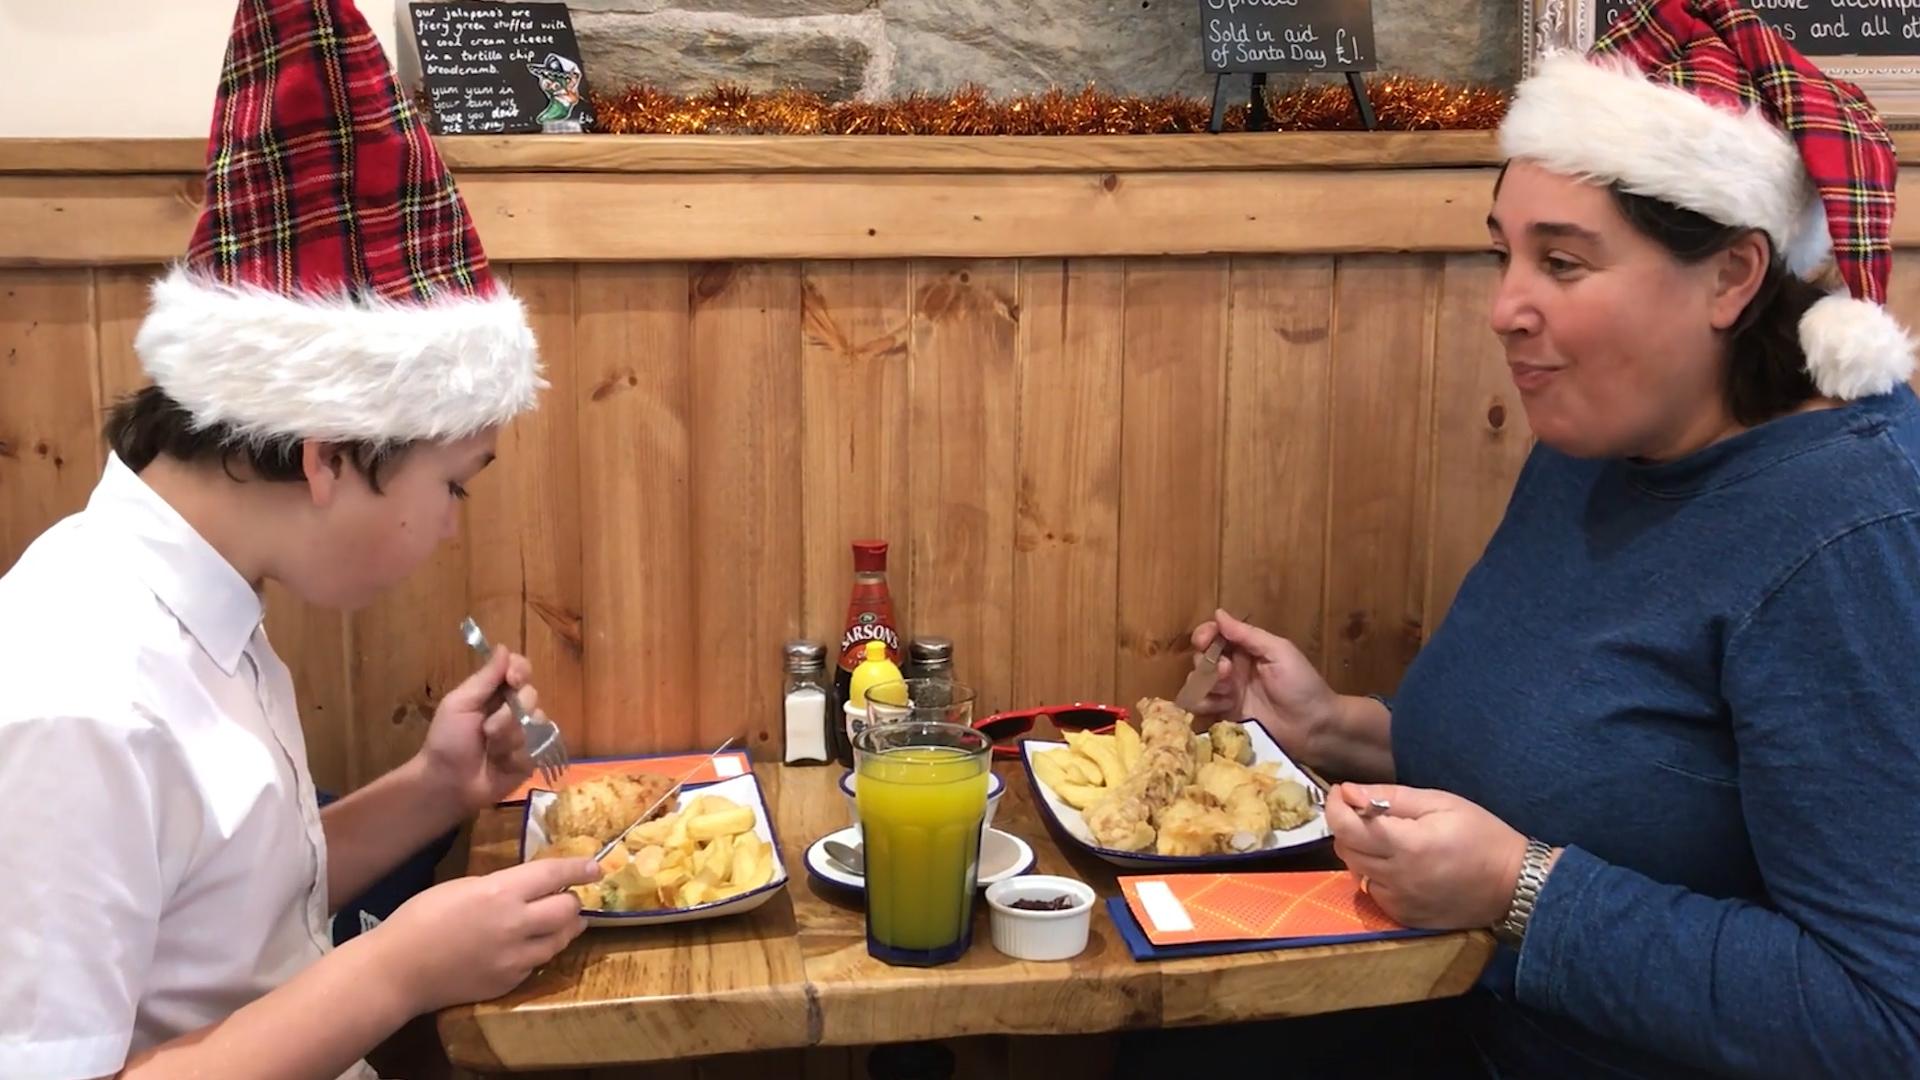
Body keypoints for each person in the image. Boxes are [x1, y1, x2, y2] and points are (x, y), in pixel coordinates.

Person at [1172, 1, 1920, 1075]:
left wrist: (1522, 891)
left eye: (1562, 264)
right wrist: (1338, 728)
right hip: (1447, 1011)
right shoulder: (1601, 434)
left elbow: (1886, 1017)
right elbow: (1588, 764)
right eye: (1504, 256)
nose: (1506, 309)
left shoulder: (1852, 536)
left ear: (1732, 276)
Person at [0, 2, 601, 1078]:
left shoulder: (207, 606)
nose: (451, 529)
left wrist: (434, 787)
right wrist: (395, 972)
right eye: (453, 486)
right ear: (327, 455)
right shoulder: (76, 693)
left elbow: (233, 916)